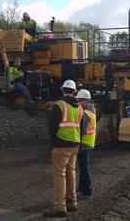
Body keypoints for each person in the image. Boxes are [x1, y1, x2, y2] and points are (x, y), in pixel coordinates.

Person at [44, 80, 85, 218]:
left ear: (63, 91)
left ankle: (60, 207)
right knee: (70, 173)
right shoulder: (80, 107)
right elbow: (82, 128)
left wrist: (52, 137)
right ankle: (72, 202)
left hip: (61, 145)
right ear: (74, 92)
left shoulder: (59, 105)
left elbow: (52, 125)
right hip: (75, 145)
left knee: (59, 175)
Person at [75, 89, 96, 200]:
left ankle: (87, 191)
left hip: (85, 144)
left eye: (79, 100)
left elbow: (84, 130)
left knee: (84, 167)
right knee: (83, 167)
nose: (78, 102)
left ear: (85, 101)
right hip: (89, 143)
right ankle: (82, 187)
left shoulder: (86, 114)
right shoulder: (91, 112)